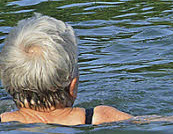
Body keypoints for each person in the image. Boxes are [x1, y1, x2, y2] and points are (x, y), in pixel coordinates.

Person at [0, 14, 132, 125]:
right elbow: (150, 124)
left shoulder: (4, 121)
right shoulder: (101, 117)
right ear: (72, 87)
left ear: (6, 82)